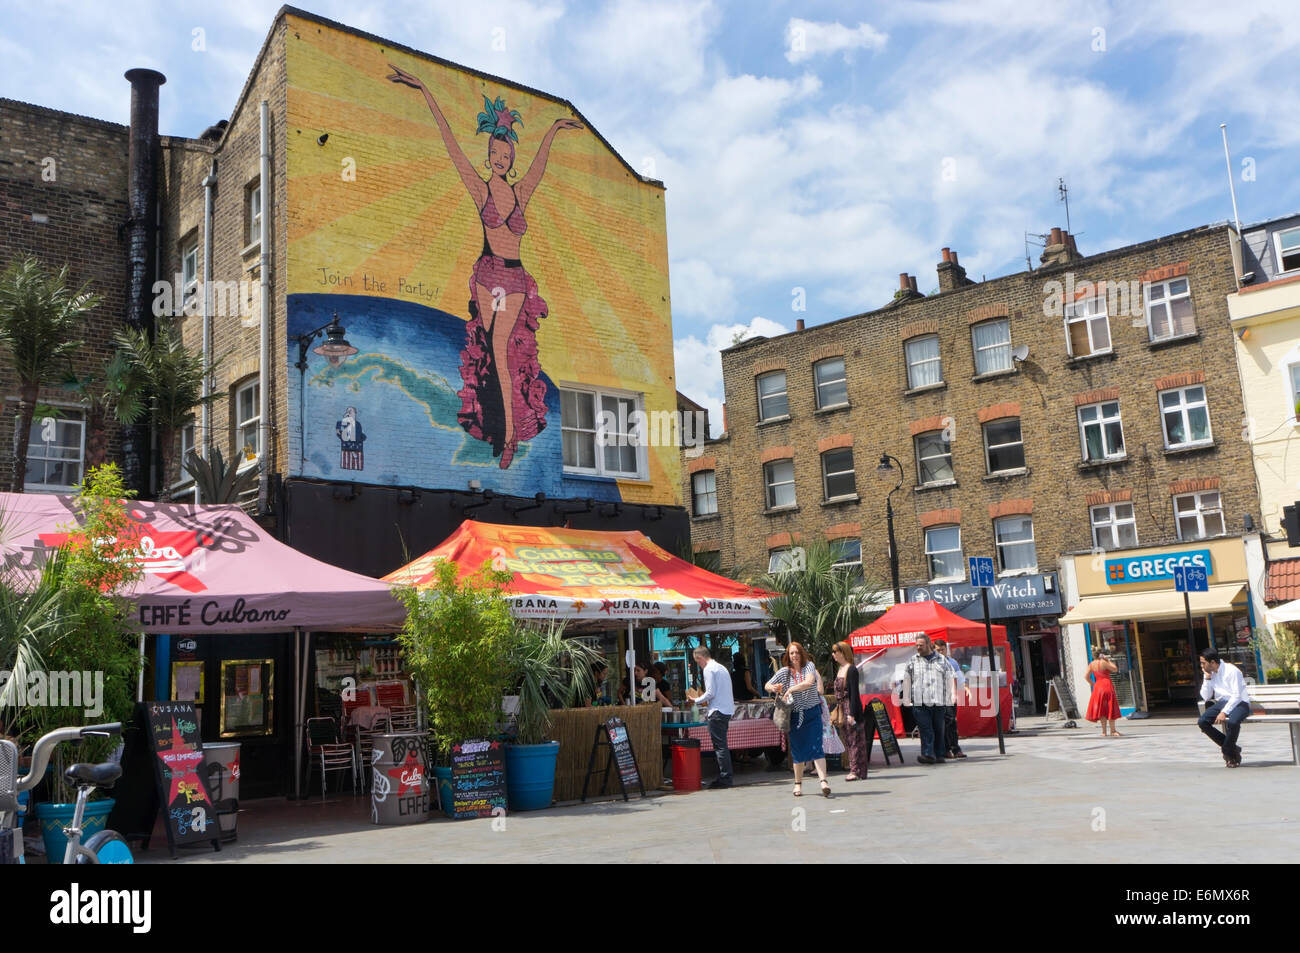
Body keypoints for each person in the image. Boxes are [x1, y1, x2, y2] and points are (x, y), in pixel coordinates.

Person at [387, 63, 582, 469]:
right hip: (487, 275)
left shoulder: (521, 191)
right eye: (494, 152)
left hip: (513, 278)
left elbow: (541, 167)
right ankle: (492, 426)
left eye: (505, 154)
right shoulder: (479, 188)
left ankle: (509, 436)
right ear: (488, 155)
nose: (499, 158)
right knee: (489, 359)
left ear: (511, 159)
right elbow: (451, 147)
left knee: (500, 351)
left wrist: (553, 130)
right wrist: (424, 88)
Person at [765, 641, 831, 797]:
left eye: (797, 652)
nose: (794, 655)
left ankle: (823, 782)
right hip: (794, 716)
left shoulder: (809, 666)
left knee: (817, 747)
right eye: (791, 653)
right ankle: (798, 784)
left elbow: (808, 683)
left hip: (812, 713)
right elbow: (767, 684)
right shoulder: (784, 672)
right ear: (788, 655)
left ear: (802, 654)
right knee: (797, 751)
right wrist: (774, 688)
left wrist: (791, 689)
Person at [901, 633, 954, 765]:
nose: (918, 647)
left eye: (921, 645)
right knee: (926, 729)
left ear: (929, 644)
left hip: (938, 700)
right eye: (917, 645)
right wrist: (906, 698)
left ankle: (939, 754)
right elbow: (907, 680)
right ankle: (928, 754)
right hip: (919, 701)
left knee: (938, 728)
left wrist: (952, 695)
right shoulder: (913, 660)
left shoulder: (942, 660)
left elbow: (950, 678)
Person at [1198, 648, 1251, 767]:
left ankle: (1228, 752)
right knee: (1203, 722)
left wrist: (1224, 712)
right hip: (1222, 702)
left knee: (1232, 722)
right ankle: (1232, 748)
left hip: (1240, 702)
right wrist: (1207, 678)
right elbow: (1205, 696)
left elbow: (1237, 695)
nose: (1201, 665)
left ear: (1212, 662)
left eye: (1203, 663)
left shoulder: (1231, 670)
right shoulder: (1210, 673)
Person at [691, 646, 735, 789]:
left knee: (720, 747)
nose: (699, 665)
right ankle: (725, 776)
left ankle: (725, 778)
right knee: (722, 746)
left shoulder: (709, 669)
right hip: (726, 710)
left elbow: (710, 693)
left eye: (698, 662)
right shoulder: (721, 667)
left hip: (717, 711)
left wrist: (695, 700)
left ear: (700, 658)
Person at [830, 641, 869, 781]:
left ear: (843, 652)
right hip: (841, 707)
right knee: (848, 739)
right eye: (833, 652)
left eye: (836, 651)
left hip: (849, 707)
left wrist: (852, 713)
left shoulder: (851, 669)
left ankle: (856, 770)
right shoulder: (840, 669)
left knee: (855, 740)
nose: (833, 654)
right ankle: (855, 768)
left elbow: (854, 693)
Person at [932, 639, 968, 759]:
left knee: (951, 722)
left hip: (950, 697)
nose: (941, 652)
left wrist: (964, 689)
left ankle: (955, 749)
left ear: (946, 649)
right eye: (938, 650)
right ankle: (945, 750)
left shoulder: (953, 662)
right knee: (941, 724)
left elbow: (960, 678)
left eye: (943, 649)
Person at [1085, 653, 1123, 738]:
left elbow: (1086, 676)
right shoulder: (1104, 662)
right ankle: (1113, 731)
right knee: (1110, 708)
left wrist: (1092, 684)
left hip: (1098, 687)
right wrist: (1108, 660)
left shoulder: (1091, 664)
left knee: (1102, 709)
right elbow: (1115, 669)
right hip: (1107, 685)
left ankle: (1104, 732)